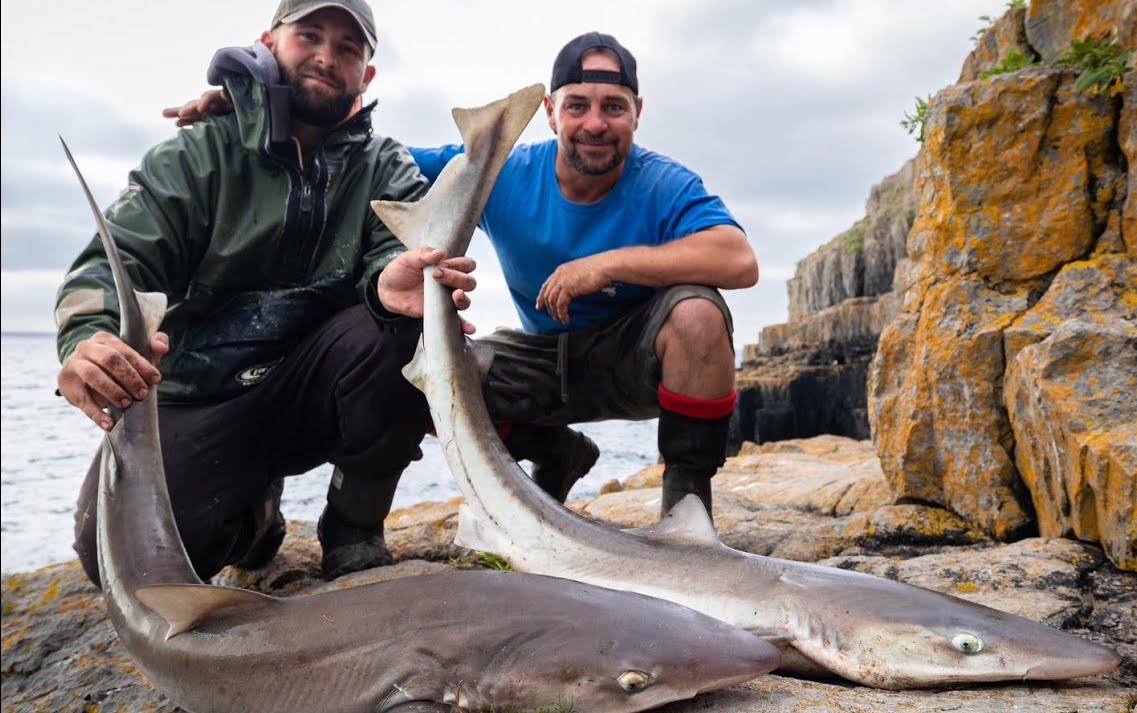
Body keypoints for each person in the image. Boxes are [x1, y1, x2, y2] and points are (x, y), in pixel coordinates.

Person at [164, 32, 758, 520]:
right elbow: (370, 153)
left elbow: (739, 261)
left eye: (614, 108)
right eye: (577, 105)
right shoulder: (503, 170)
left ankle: (687, 507)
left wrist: (606, 264)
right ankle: (556, 451)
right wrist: (256, 109)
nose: (595, 124)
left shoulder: (663, 182)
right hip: (543, 359)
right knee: (422, 375)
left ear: (637, 114)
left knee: (697, 311)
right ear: (550, 113)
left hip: (634, 361)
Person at [54, 0, 477, 585]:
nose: (328, 57)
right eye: (309, 35)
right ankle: (256, 523)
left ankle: (354, 523)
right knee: (118, 561)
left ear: (368, 74)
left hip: (315, 387)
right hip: (199, 394)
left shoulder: (385, 166)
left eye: (349, 48)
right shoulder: (197, 155)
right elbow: (116, 260)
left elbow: (394, 254)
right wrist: (86, 337)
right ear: (269, 42)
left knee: (414, 317)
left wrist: (387, 284)